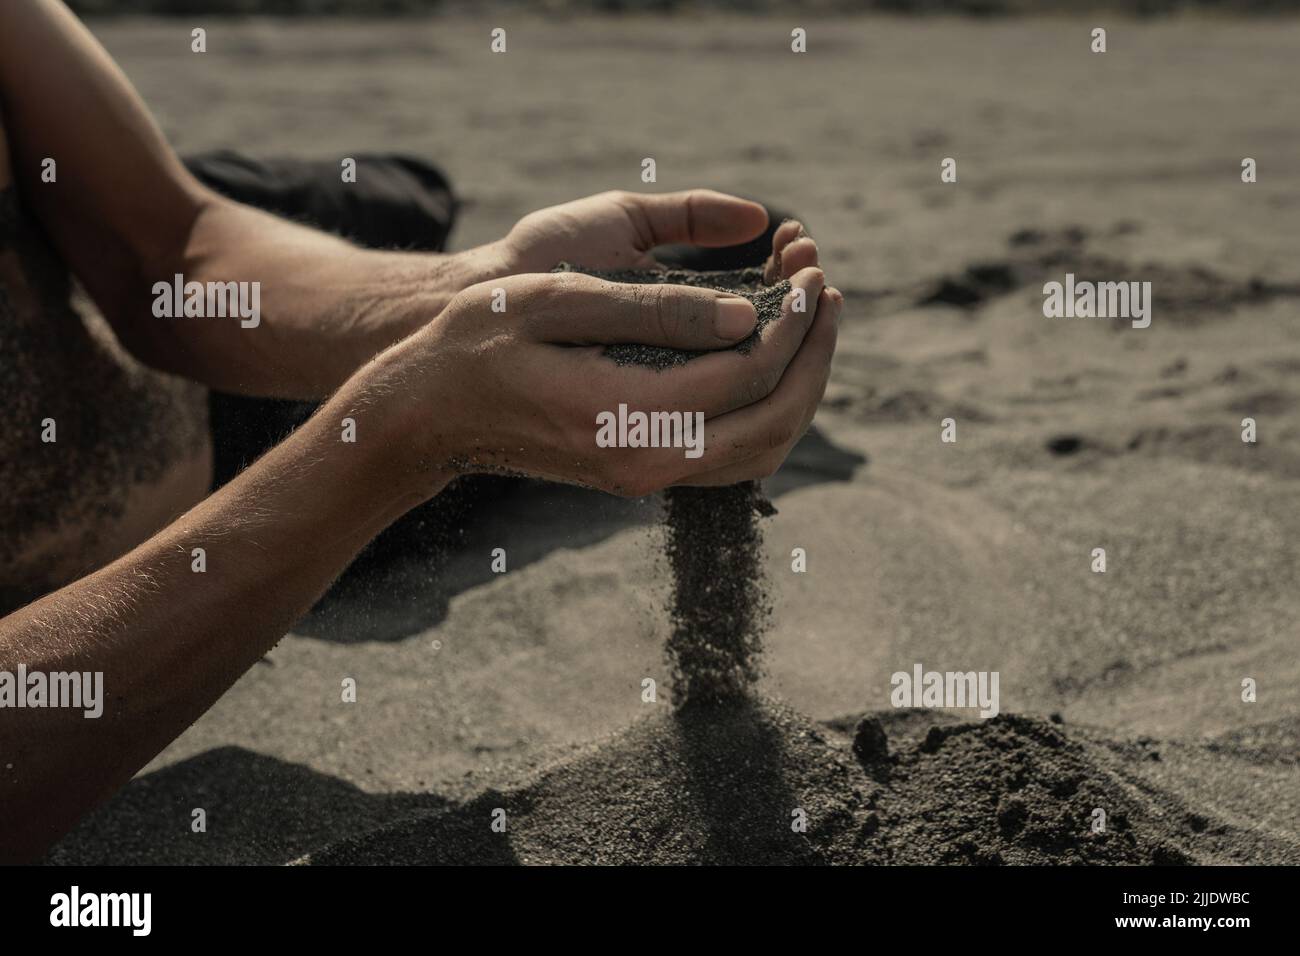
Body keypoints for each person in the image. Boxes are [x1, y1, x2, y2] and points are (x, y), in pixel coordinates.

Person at [0, 0, 841, 863]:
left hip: (233, 349)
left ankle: (435, 242)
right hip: (235, 548)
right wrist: (407, 434)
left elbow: (166, 251)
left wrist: (470, 287)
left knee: (700, 265)